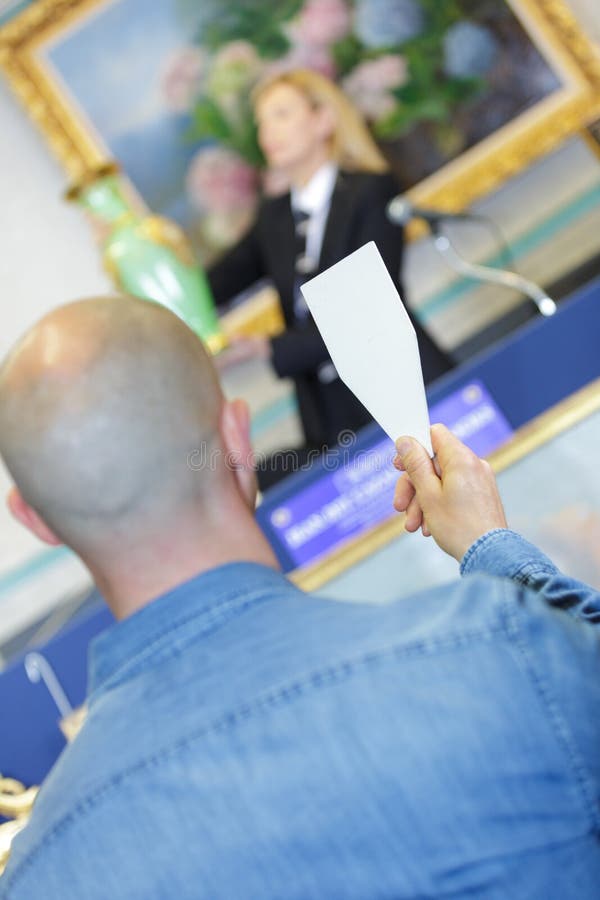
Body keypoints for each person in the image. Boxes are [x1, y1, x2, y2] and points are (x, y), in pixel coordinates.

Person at [0, 296, 599, 900]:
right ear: (237, 440)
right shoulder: (505, 649)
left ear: (34, 520)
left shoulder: (40, 877)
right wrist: (493, 550)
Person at [209, 69, 453, 487]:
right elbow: (214, 284)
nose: (267, 133)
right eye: (261, 123)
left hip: (404, 396)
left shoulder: (371, 192)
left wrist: (272, 348)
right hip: (330, 418)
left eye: (281, 114)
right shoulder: (273, 218)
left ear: (323, 119)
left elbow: (372, 310)